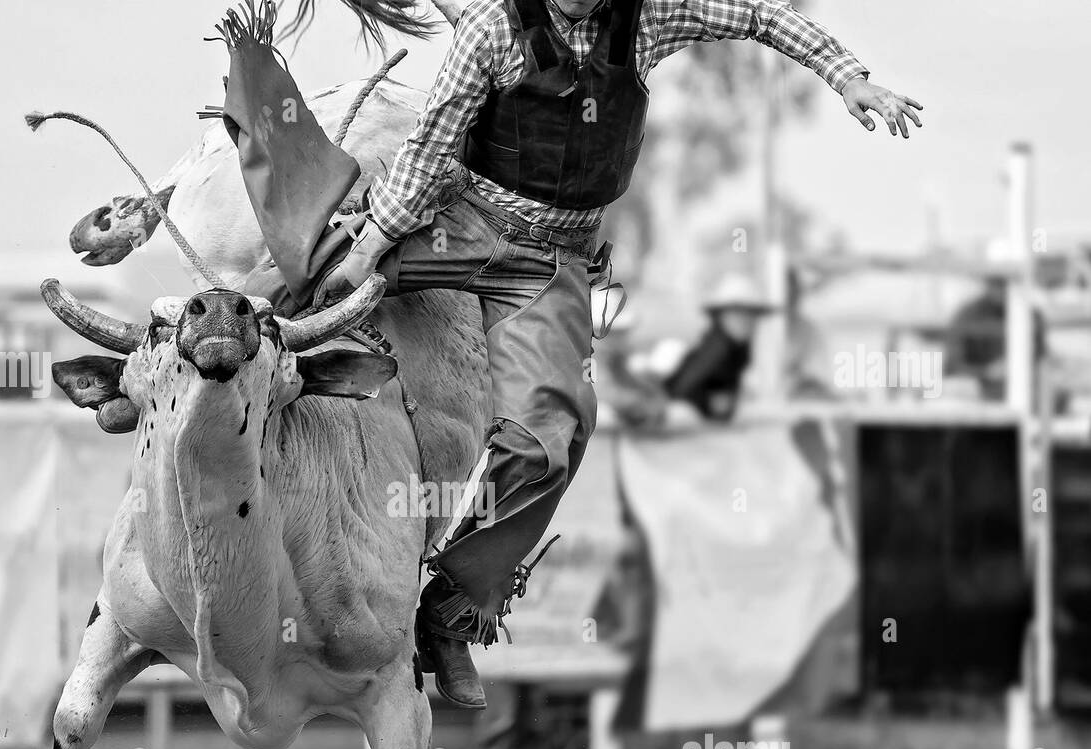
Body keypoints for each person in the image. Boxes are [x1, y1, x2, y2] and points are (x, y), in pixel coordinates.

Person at [227, 0, 924, 708]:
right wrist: (372, 246)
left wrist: (846, 77)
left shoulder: (650, 17)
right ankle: (177, 365)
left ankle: (451, 610)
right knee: (311, 262)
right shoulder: (495, 28)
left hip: (550, 262)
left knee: (551, 439)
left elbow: (756, 16)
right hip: (458, 220)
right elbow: (433, 147)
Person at [663, 272, 772, 422]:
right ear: (721, 316)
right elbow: (681, 390)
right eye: (738, 313)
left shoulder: (739, 348)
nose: (747, 321)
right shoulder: (717, 348)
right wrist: (710, 403)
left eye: (751, 314)